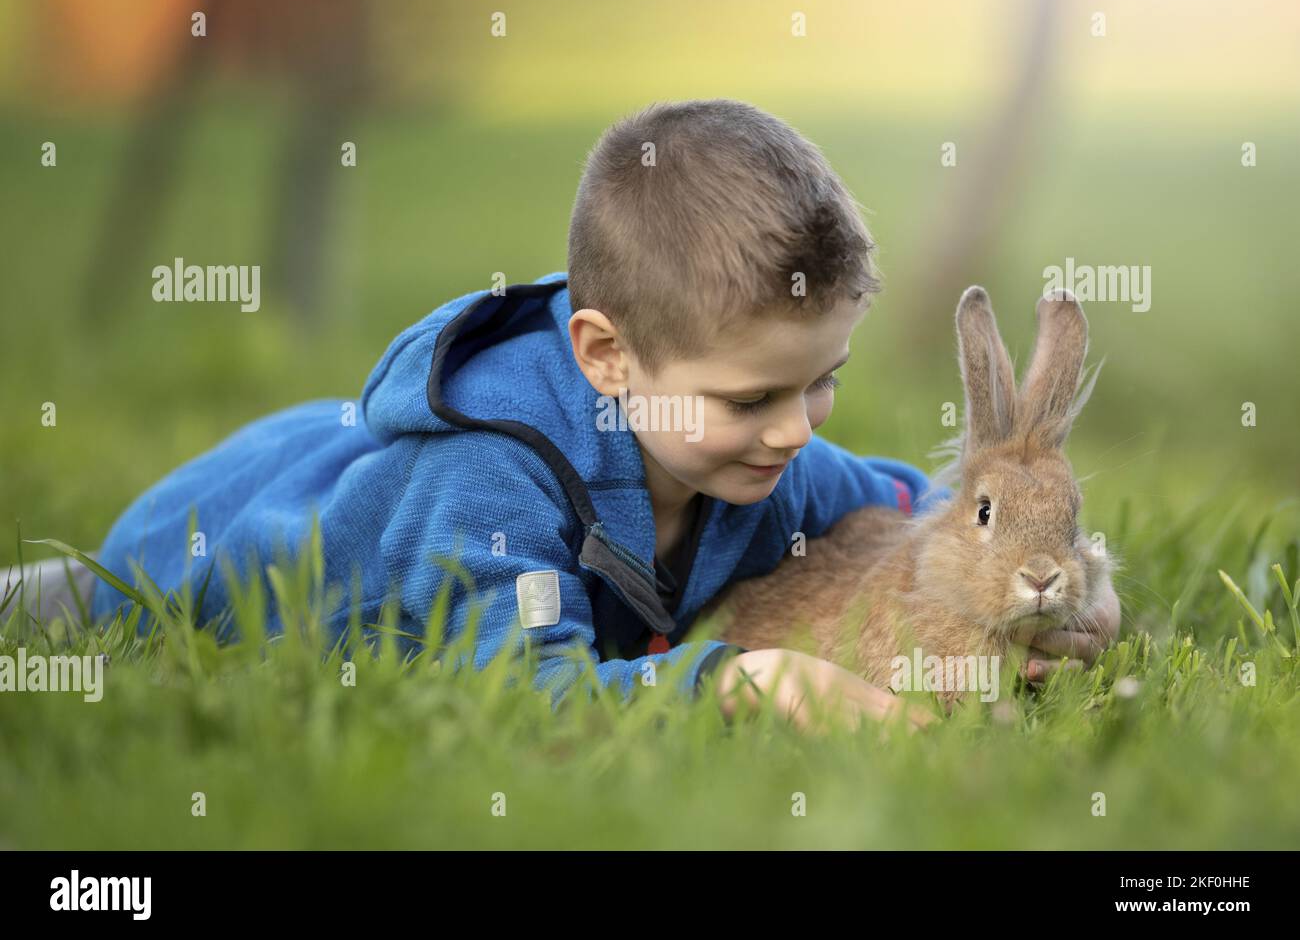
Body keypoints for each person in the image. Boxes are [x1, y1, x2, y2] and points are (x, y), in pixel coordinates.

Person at [78, 99, 1117, 731]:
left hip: (337, 456)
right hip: (214, 545)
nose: (799, 429)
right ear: (609, 357)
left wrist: (1045, 587)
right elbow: (530, 692)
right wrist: (740, 682)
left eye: (820, 381)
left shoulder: (757, 452)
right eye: (753, 396)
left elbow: (914, 505)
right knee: (69, 606)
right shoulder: (493, 489)